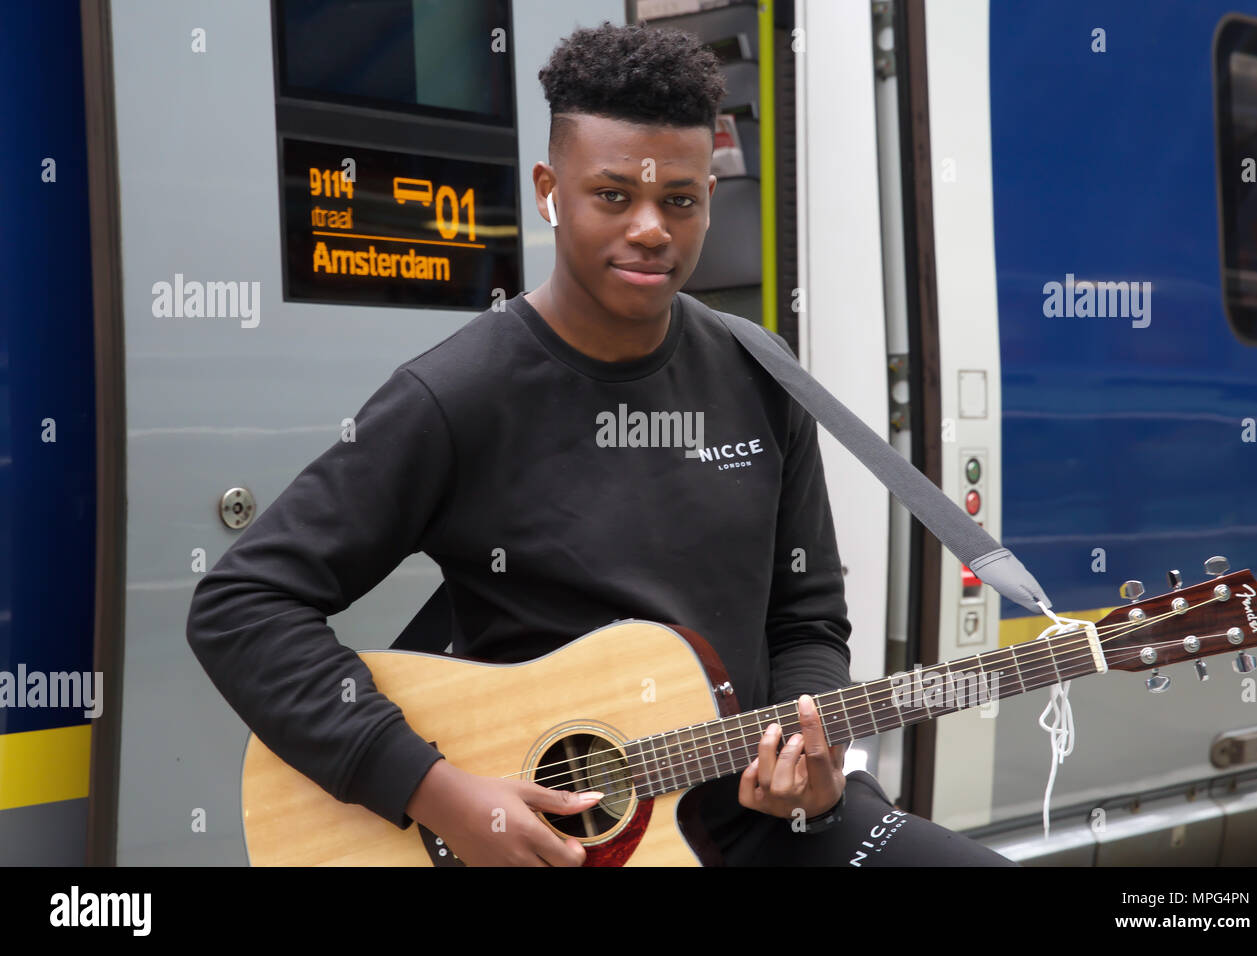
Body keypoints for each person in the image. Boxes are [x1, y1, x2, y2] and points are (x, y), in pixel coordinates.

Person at [187, 21, 1015, 867]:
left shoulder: (762, 374)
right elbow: (241, 607)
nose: (652, 228)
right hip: (561, 846)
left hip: (750, 819)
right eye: (614, 195)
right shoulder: (459, 393)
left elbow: (804, 618)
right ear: (550, 188)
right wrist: (436, 791)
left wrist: (810, 747)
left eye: (680, 200)